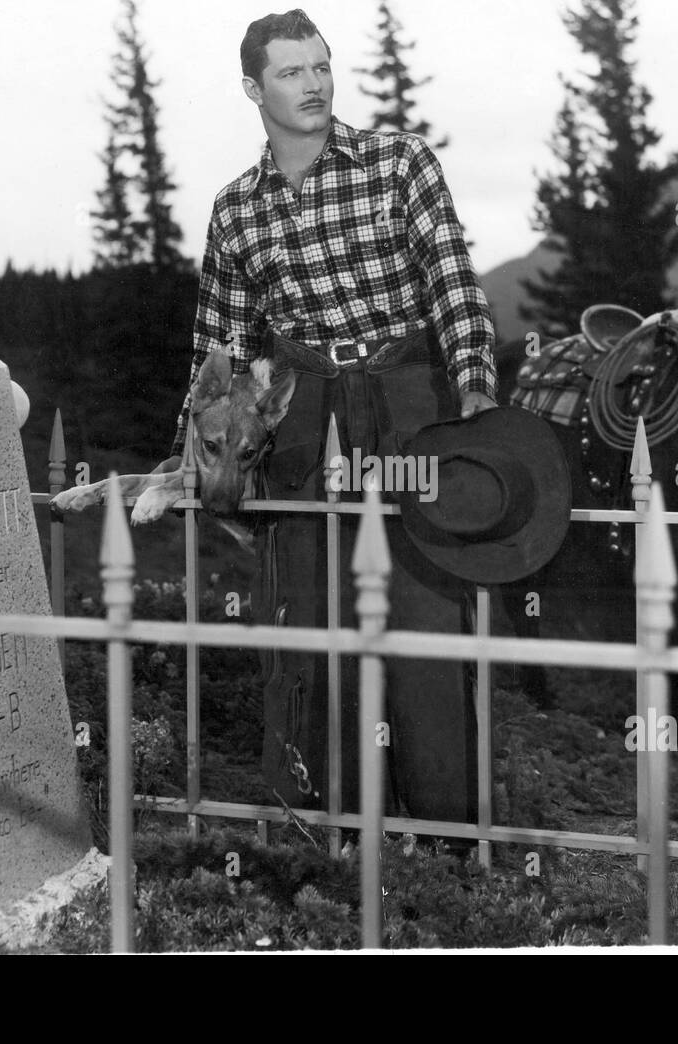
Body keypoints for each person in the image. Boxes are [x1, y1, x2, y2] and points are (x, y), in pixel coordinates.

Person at [167, 9, 497, 829]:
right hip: (305, 421)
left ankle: (451, 836)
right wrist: (194, 454)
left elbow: (454, 284)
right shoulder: (236, 209)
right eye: (290, 72)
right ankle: (326, 826)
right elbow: (221, 353)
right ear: (253, 88)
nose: (313, 85)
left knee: (424, 612)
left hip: (409, 403)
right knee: (310, 613)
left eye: (320, 66)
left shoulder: (399, 163)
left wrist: (476, 394)